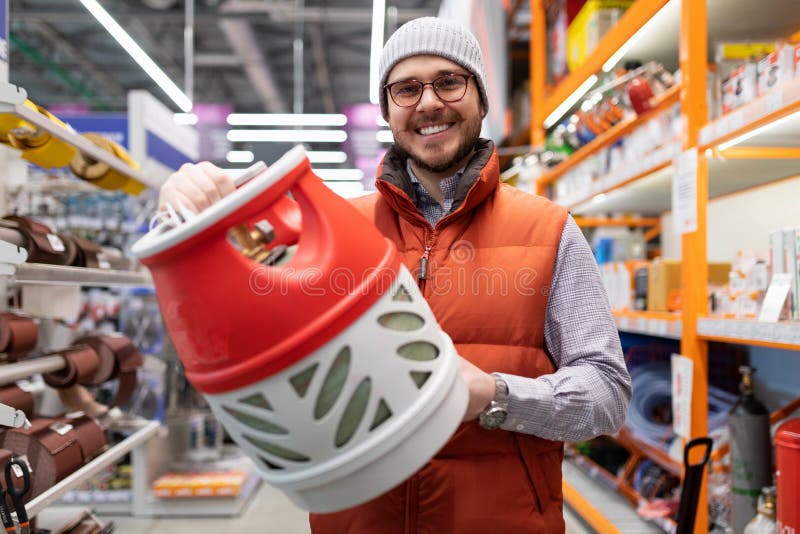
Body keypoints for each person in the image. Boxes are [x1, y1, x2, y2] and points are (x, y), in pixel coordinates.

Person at [158, 16, 631, 533]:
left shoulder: (549, 231)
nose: (428, 102)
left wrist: (496, 396)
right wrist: (187, 221)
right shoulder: (333, 228)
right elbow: (232, 335)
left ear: (480, 98)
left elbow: (606, 395)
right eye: (406, 89)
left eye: (449, 81)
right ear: (387, 110)